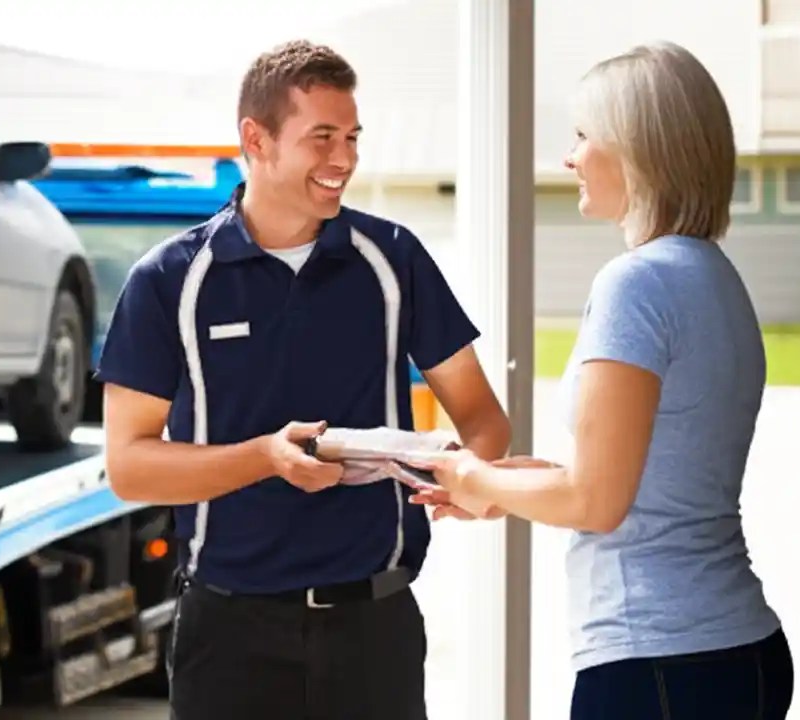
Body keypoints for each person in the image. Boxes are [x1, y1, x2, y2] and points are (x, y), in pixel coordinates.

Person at [96, 39, 511, 720]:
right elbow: (130, 466)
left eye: (352, 137)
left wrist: (471, 479)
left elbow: (482, 417)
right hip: (228, 638)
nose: (344, 159)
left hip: (375, 630)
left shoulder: (394, 260)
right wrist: (266, 458)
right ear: (255, 139)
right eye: (322, 137)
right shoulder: (168, 281)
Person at [406, 41, 795, 720]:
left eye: (584, 136)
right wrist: (509, 488)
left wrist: (474, 478)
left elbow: (595, 501)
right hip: (741, 651)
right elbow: (645, 476)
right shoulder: (714, 276)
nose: (570, 157)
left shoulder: (637, 283)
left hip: (660, 663)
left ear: (638, 149)